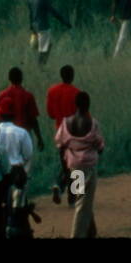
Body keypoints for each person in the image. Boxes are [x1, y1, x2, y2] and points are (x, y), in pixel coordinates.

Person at [55, 91, 104, 238]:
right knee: (83, 201)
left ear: (75, 104)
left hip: (73, 165)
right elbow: (100, 146)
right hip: (88, 166)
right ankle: (77, 235)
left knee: (81, 198)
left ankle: (91, 231)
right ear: (88, 105)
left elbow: (60, 144)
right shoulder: (92, 123)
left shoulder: (66, 122)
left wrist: (65, 167)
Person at [46, 66, 80, 204]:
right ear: (72, 75)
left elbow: (51, 114)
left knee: (65, 163)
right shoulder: (77, 93)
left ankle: (60, 186)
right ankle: (74, 195)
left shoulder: (52, 91)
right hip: (74, 132)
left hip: (60, 131)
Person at [27, 0, 71, 65]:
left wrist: (31, 26)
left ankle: (39, 66)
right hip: (43, 27)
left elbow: (30, 14)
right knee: (44, 50)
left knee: (46, 46)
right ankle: (40, 68)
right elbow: (53, 12)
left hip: (35, 27)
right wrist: (65, 22)